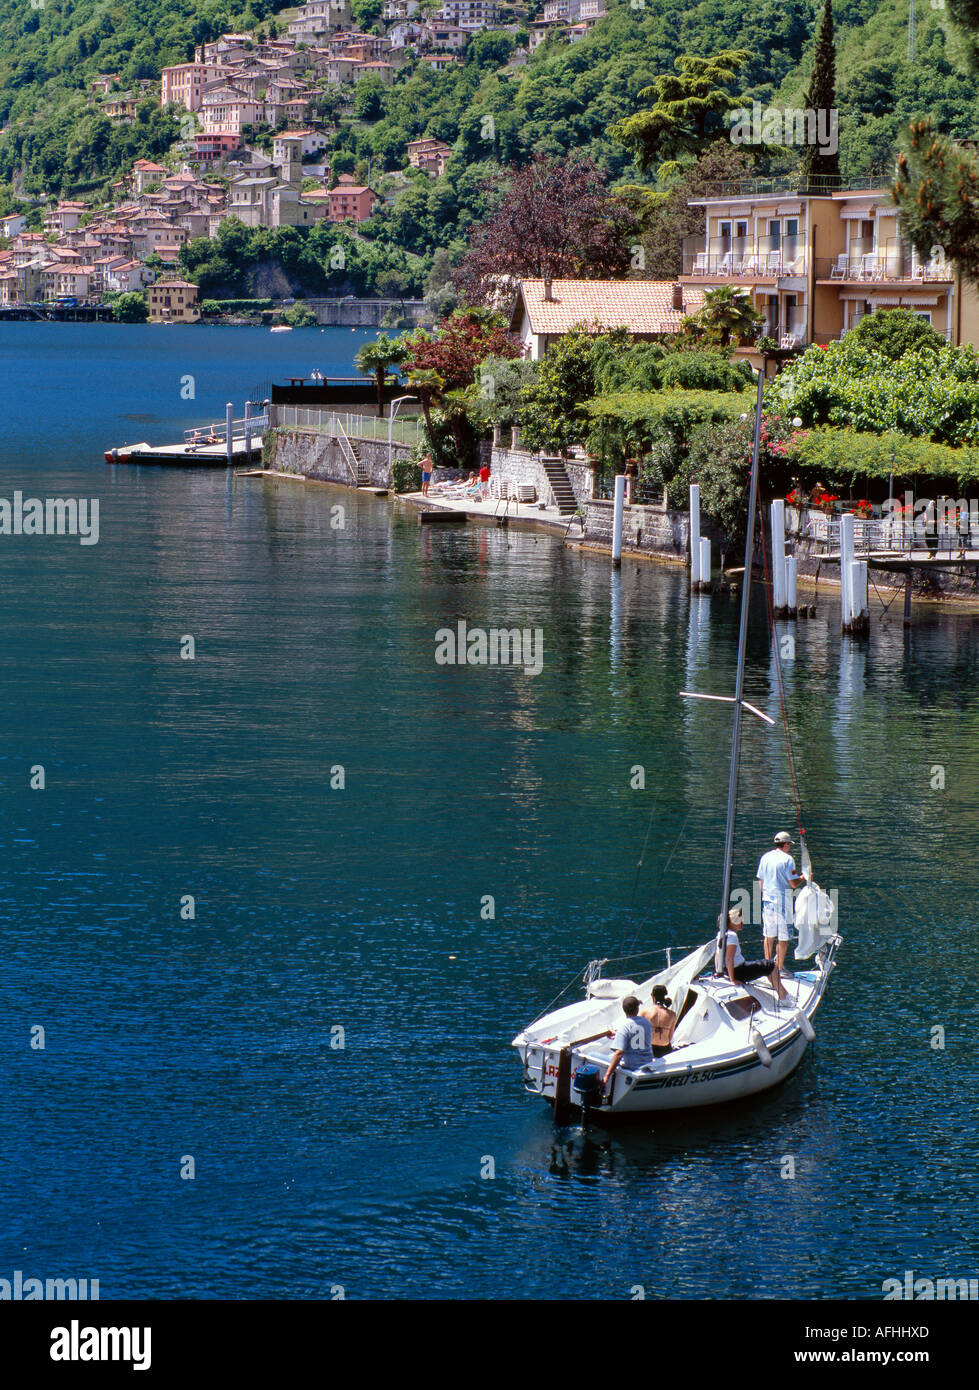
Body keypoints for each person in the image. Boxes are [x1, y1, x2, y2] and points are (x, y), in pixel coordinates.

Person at [756, 831, 806, 977]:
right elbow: (793, 883)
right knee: (783, 937)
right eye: (789, 844)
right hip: (782, 902)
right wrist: (804, 877)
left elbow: (761, 879)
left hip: (767, 900)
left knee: (768, 935)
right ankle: (778, 969)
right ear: (786, 844)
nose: (789, 847)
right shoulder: (788, 859)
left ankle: (766, 967)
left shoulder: (765, 857)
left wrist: (764, 895)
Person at [717, 909, 787, 999]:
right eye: (740, 920)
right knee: (772, 965)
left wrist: (719, 971)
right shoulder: (732, 936)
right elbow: (729, 959)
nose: (743, 922)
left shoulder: (721, 934)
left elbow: (717, 954)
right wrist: (733, 980)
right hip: (739, 971)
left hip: (730, 970)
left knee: (766, 966)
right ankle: (783, 997)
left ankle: (781, 989)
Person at [603, 995, 653, 1087]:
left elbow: (619, 1053)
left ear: (624, 1010)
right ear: (637, 1009)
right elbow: (636, 1036)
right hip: (647, 1063)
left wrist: (606, 1076)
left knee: (592, 1055)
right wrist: (617, 1035)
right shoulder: (647, 1022)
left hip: (632, 1066)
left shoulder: (624, 1026)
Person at [640, 984, 676, 1057]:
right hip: (665, 1050)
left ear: (653, 997)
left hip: (649, 1049)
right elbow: (670, 1037)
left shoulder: (645, 1012)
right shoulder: (672, 1014)